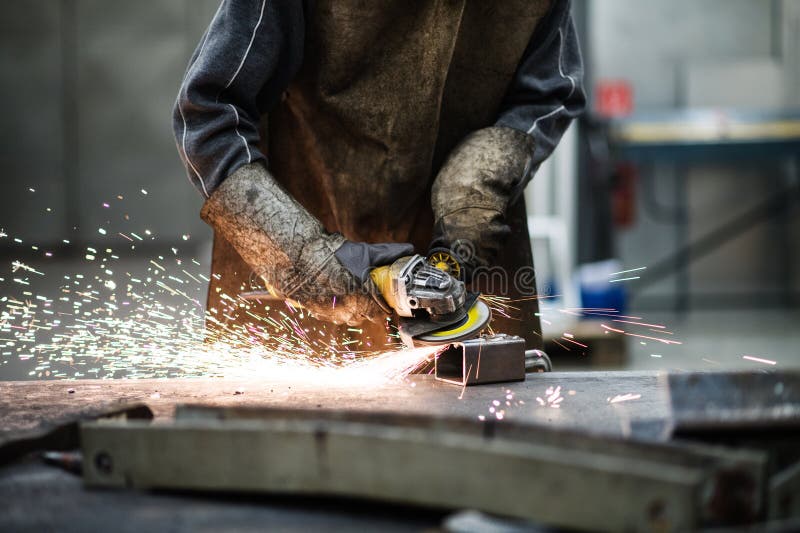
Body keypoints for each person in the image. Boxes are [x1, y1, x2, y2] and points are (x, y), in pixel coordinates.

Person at [173, 0, 585, 351]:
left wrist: (481, 181)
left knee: (498, 425)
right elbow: (209, 114)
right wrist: (300, 257)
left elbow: (550, 90)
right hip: (306, 225)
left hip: (475, 252)